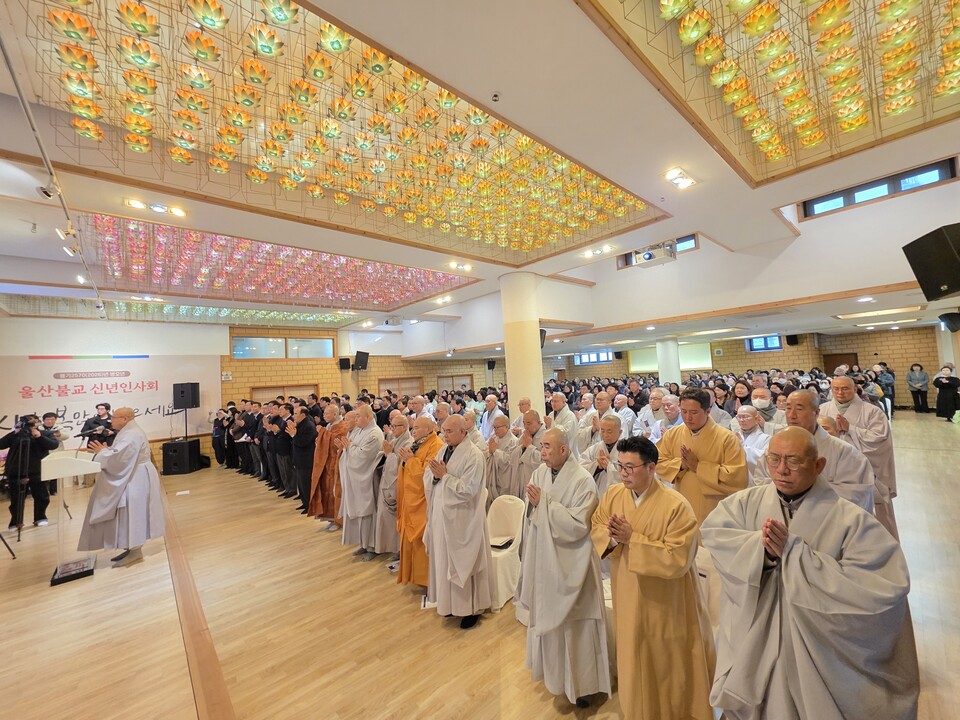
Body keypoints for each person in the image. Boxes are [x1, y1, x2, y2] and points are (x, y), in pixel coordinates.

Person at [701, 427, 919, 720]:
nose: (782, 470)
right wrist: (761, 551)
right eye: (774, 459)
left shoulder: (851, 520)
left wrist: (795, 555)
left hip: (821, 651)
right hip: (755, 638)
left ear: (819, 465)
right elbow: (716, 536)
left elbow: (884, 587)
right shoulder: (743, 504)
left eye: (793, 461)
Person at [590, 436, 715, 720]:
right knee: (634, 657)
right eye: (620, 466)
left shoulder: (676, 505)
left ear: (652, 467)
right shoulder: (614, 494)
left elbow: (677, 558)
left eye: (631, 468)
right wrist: (611, 538)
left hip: (665, 600)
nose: (623, 474)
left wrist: (633, 539)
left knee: (665, 662)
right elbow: (597, 524)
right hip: (628, 592)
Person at [518, 428, 611, 709]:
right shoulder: (539, 474)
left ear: (563, 449)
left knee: (576, 627)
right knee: (550, 622)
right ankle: (556, 678)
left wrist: (544, 503)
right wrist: (537, 505)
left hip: (573, 564)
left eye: (547, 446)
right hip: (544, 559)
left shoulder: (583, 480)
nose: (542, 451)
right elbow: (532, 513)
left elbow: (578, 525)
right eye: (541, 446)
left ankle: (584, 687)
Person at [423, 415, 494, 629]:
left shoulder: (474, 455)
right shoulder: (444, 449)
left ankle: (471, 609)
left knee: (464, 562)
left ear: (463, 432)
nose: (445, 435)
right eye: (443, 430)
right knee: (444, 560)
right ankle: (449, 605)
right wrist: (435, 477)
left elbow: (470, 489)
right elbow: (430, 474)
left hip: (464, 518)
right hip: (442, 516)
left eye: (450, 431)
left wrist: (445, 477)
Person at [77, 408, 165, 565]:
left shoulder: (132, 434)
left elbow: (120, 459)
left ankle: (135, 550)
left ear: (125, 419)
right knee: (127, 513)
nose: (111, 421)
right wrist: (105, 451)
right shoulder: (128, 431)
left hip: (135, 476)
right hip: (132, 473)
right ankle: (130, 548)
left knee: (133, 512)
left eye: (114, 418)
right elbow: (120, 454)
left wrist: (103, 452)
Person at [821, 376, 899, 526]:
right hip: (832, 473)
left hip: (865, 474)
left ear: (854, 389)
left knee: (872, 519)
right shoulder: (823, 410)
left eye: (845, 388)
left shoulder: (872, 411)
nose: (840, 393)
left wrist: (850, 429)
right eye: (836, 389)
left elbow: (880, 440)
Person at [396, 416, 443, 588]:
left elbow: (427, 475)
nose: (413, 431)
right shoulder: (418, 444)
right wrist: (405, 462)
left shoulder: (436, 445)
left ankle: (427, 580)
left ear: (428, 429)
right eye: (413, 428)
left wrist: (410, 461)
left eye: (416, 428)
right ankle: (416, 578)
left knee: (423, 542)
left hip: (422, 501)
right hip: (410, 499)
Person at [337, 405, 384, 560]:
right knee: (360, 515)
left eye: (358, 416)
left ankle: (373, 547)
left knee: (369, 513)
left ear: (368, 417)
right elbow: (351, 449)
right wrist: (346, 447)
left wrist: (349, 447)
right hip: (356, 479)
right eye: (355, 416)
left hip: (367, 479)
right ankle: (364, 544)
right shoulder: (359, 431)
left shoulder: (375, 433)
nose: (355, 419)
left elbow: (363, 456)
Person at [2, 414, 59, 530]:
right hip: (16, 471)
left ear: (38, 423)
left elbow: (53, 445)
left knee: (41, 496)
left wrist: (38, 436)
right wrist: (15, 432)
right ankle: (16, 521)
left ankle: (40, 517)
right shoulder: (16, 435)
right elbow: (1, 444)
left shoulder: (44, 434)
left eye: (33, 421)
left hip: (37, 470)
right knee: (16, 499)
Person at [375, 414, 410, 558]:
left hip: (397, 485)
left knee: (395, 519)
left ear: (405, 427)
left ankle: (399, 549)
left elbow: (402, 465)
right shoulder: (395, 440)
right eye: (392, 425)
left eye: (396, 426)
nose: (393, 429)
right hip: (388, 483)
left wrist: (389, 454)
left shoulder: (408, 442)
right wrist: (385, 453)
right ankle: (392, 547)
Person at [308, 404, 344, 521]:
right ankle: (329, 518)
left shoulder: (342, 426)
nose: (324, 415)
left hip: (334, 464)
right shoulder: (329, 425)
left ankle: (336, 519)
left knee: (333, 491)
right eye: (324, 413)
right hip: (325, 463)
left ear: (335, 414)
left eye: (327, 413)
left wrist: (322, 433)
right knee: (325, 490)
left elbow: (336, 441)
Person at [578, 415, 623, 498]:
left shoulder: (626, 451)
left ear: (620, 432)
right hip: (595, 493)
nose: (605, 435)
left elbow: (629, 476)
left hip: (617, 496)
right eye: (602, 431)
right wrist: (597, 466)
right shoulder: (595, 448)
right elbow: (580, 467)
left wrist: (608, 467)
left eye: (609, 431)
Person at [484, 414, 518, 507]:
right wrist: (490, 451)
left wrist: (495, 451)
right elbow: (485, 451)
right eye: (494, 427)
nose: (495, 430)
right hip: (492, 478)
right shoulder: (494, 438)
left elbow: (510, 461)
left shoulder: (513, 441)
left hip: (504, 479)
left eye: (498, 427)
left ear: (507, 427)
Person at [290, 405, 318, 514]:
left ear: (302, 415)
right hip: (299, 458)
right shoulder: (300, 424)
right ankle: (304, 503)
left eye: (295, 414)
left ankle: (310, 505)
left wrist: (293, 435)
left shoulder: (309, 426)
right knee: (301, 483)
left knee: (306, 483)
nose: (293, 416)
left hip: (306, 459)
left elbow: (303, 442)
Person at [733, 406, 770, 486]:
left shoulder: (766, 438)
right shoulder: (732, 436)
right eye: (739, 417)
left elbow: (763, 460)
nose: (741, 420)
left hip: (754, 482)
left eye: (745, 417)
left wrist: (742, 446)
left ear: (756, 418)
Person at [544, 391, 579, 458]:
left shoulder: (570, 416)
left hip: (567, 451)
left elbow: (566, 434)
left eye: (556, 401)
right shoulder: (551, 414)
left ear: (563, 402)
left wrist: (551, 424)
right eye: (552, 401)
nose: (553, 404)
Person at [41, 412, 65, 495]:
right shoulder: (39, 428)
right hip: (42, 453)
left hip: (56, 452)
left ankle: (53, 490)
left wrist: (59, 435)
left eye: (52, 419)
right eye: (47, 420)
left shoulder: (59, 427)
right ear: (43, 420)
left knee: (55, 472)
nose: (50, 421)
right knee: (43, 473)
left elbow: (66, 436)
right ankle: (44, 491)